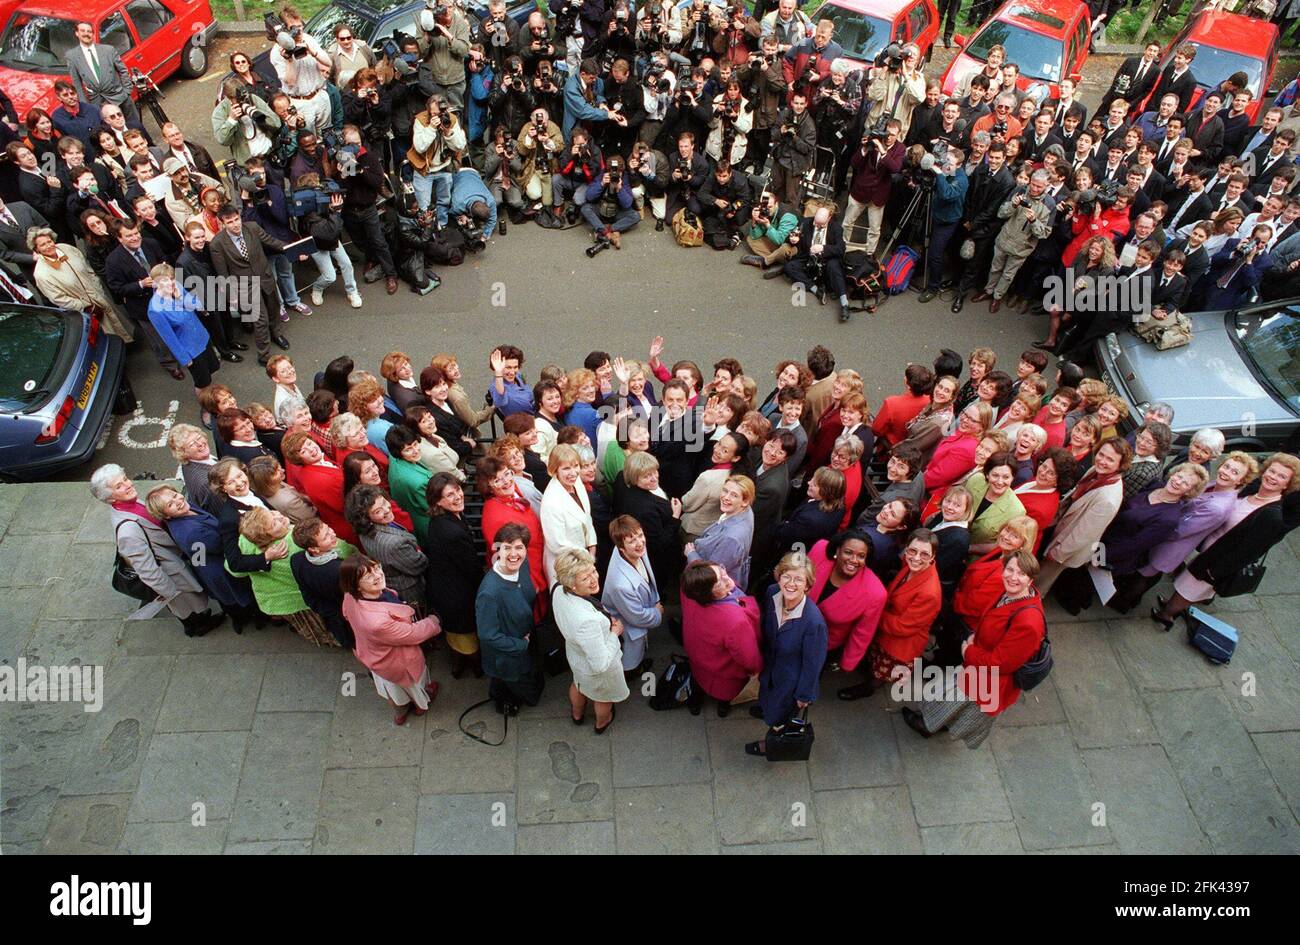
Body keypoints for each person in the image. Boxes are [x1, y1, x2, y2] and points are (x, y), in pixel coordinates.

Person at [902, 551, 1046, 748]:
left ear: (1031, 580)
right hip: (978, 666)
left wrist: (968, 651)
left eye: (1020, 574)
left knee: (951, 704)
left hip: (987, 680)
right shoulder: (1010, 594)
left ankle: (925, 726)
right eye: (1010, 569)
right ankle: (933, 724)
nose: (1013, 577)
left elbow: (1000, 663)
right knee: (951, 703)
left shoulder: (1028, 622)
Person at [1152, 453, 1300, 628]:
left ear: (1288, 485)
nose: (1272, 477)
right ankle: (1171, 605)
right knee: (1186, 585)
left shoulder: (1272, 516)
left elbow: (1247, 552)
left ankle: (1166, 616)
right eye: (1272, 471)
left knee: (1188, 589)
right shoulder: (1253, 490)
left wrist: (1213, 573)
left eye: (1281, 476)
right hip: (1209, 550)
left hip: (1216, 563)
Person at [94, 466, 222, 637]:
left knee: (189, 604)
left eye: (125, 479)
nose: (128, 484)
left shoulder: (129, 503)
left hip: (175, 562)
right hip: (171, 576)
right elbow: (147, 571)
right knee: (187, 606)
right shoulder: (128, 531)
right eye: (119, 486)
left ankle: (196, 620)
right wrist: (170, 593)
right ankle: (196, 626)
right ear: (110, 498)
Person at [341, 554, 442, 725]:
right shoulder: (377, 622)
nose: (378, 575)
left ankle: (400, 714)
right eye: (369, 575)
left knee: (393, 691)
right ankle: (420, 706)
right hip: (400, 663)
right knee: (414, 686)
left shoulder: (350, 597)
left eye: (377, 568)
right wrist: (434, 620)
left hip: (376, 659)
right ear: (356, 585)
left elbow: (346, 614)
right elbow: (413, 634)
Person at [747, 551, 827, 757]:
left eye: (799, 579)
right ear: (779, 577)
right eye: (787, 576)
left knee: (780, 716)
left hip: (790, 682)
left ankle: (771, 742)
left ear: (808, 585)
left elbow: (813, 663)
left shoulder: (813, 622)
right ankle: (767, 710)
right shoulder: (772, 592)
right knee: (768, 701)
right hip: (770, 669)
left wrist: (804, 695)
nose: (791, 584)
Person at [1038, 437, 1133, 593]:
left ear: (1120, 465)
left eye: (1110, 459)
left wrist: (1057, 554)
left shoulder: (1108, 499)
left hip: (1065, 546)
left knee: (1042, 580)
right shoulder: (1096, 471)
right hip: (1061, 527)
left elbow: (1082, 535)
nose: (1102, 461)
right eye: (1101, 454)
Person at [232, 507, 336, 646]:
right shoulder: (294, 544)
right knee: (316, 625)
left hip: (273, 600)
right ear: (267, 536)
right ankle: (331, 639)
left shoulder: (246, 539)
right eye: (273, 524)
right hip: (296, 600)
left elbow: (235, 571)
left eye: (272, 513)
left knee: (305, 625)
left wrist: (259, 559)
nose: (279, 517)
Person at [552, 548, 629, 733]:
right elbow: (601, 664)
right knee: (603, 697)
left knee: (578, 684)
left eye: (593, 571)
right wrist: (614, 633)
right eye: (585, 578)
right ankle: (601, 723)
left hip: (577, 658)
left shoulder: (557, 589)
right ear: (572, 585)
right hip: (597, 668)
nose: (594, 579)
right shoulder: (588, 621)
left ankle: (577, 715)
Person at [680, 560, 763, 716]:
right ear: (707, 593)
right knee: (725, 694)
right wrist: (757, 669)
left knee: (698, 683)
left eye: (721, 571)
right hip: (725, 672)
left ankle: (695, 703)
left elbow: (694, 564)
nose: (726, 579)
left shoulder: (691, 585)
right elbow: (748, 655)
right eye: (717, 583)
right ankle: (723, 709)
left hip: (697, 658)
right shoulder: (735, 620)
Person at [476, 522, 543, 713]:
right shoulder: (489, 593)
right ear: (497, 550)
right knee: (522, 689)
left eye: (519, 547)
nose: (514, 554)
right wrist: (520, 645)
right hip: (509, 653)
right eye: (507, 548)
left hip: (525, 639)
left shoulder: (522, 564)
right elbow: (488, 635)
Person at [423, 472, 485, 677]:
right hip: (458, 594)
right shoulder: (453, 532)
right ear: (438, 501)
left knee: (457, 633)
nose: (458, 496)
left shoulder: (443, 519)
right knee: (467, 633)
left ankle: (459, 663)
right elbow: (470, 568)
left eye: (457, 490)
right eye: (449, 495)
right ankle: (475, 667)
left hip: (446, 588)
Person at [866, 529, 942, 685]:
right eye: (912, 550)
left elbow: (902, 626)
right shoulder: (911, 567)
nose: (916, 558)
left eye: (924, 554)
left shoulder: (929, 593)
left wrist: (875, 613)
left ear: (933, 557)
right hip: (887, 631)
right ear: (906, 549)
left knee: (878, 676)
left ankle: (868, 688)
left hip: (900, 643)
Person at [346, 485, 428, 614]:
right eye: (378, 511)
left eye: (384, 502)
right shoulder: (394, 544)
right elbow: (419, 565)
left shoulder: (365, 530)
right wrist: (419, 552)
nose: (387, 509)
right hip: (411, 590)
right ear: (366, 519)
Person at [479, 455, 548, 599]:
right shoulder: (494, 516)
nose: (506, 481)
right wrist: (530, 585)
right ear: (488, 487)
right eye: (497, 480)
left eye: (507, 473)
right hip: (527, 578)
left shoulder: (512, 492)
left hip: (539, 563)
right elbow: (509, 560)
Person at [602, 515, 663, 678]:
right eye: (632, 541)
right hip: (628, 626)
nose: (640, 543)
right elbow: (637, 617)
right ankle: (631, 674)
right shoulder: (620, 585)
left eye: (640, 535)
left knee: (636, 652)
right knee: (629, 661)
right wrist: (657, 612)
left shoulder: (630, 550)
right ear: (621, 548)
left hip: (636, 614)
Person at [288, 517, 356, 648]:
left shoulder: (296, 559)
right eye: (325, 537)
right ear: (314, 549)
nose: (333, 534)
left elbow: (305, 592)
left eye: (328, 528)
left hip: (331, 615)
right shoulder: (339, 570)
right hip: (345, 616)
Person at [685, 474, 755, 589]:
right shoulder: (744, 511)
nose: (726, 497)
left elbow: (711, 574)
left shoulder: (731, 539)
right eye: (725, 491)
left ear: (745, 501)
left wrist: (691, 554)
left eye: (734, 495)